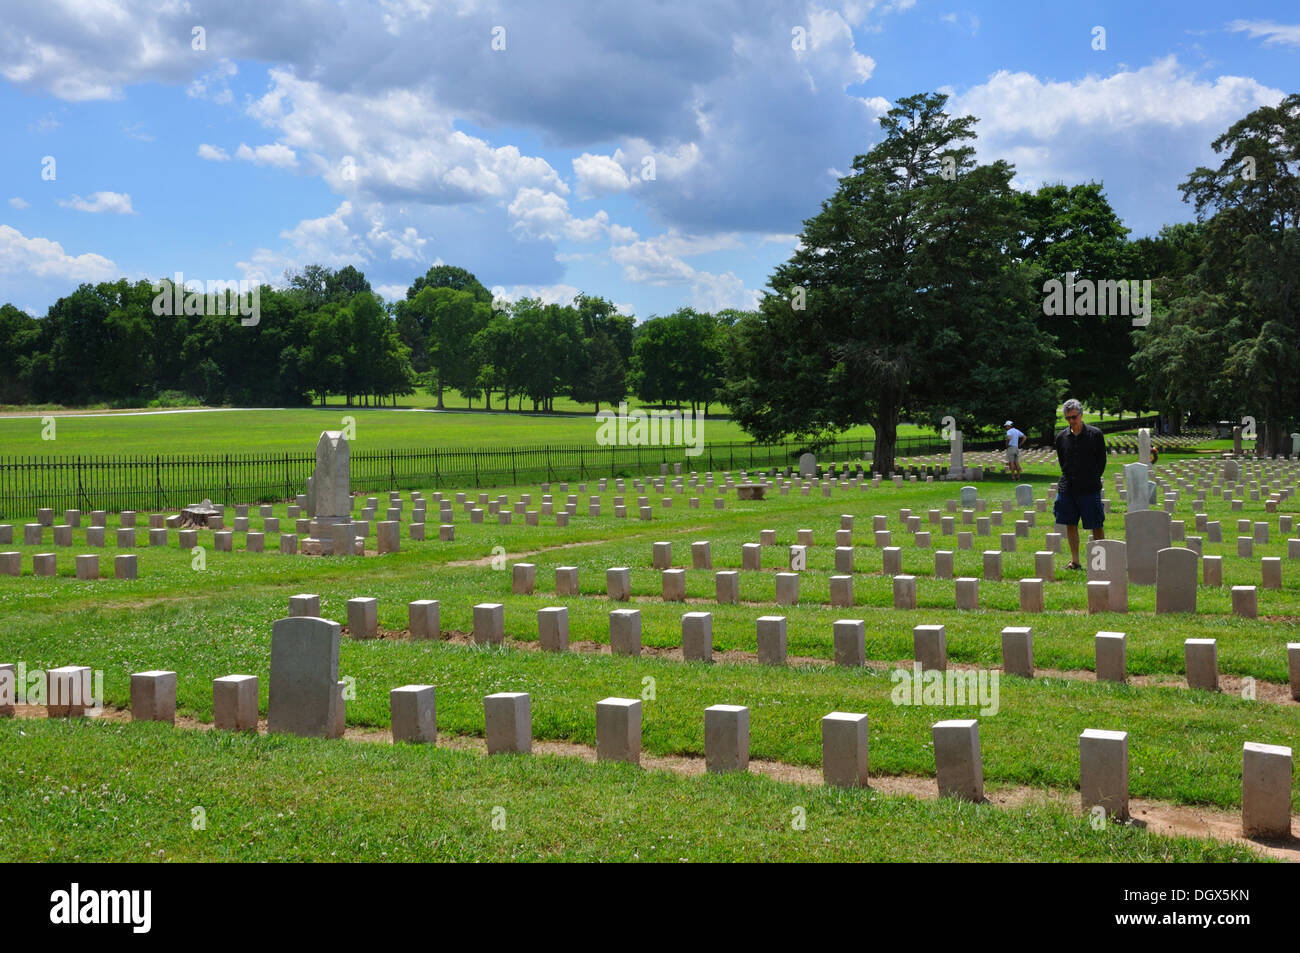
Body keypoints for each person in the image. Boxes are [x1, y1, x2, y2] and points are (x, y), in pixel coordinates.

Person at [1053, 399, 1106, 569]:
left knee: (1096, 525)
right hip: (1068, 487)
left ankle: (1100, 562)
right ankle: (1075, 561)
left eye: (1074, 417)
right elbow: (1063, 461)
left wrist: (1091, 477)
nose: (1071, 421)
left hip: (1090, 488)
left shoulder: (1095, 434)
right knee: (1070, 523)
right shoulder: (1061, 437)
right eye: (1068, 418)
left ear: (1081, 415)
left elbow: (1101, 462)